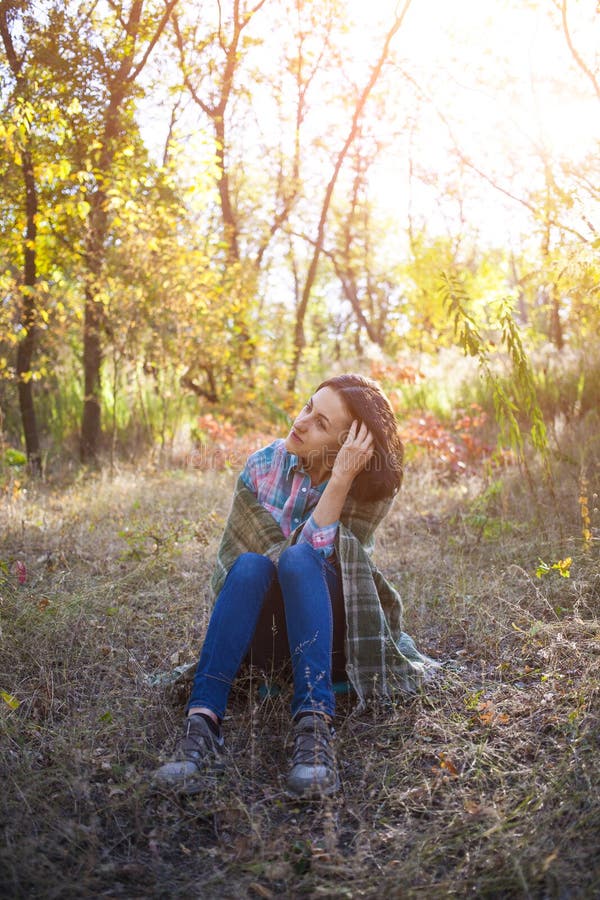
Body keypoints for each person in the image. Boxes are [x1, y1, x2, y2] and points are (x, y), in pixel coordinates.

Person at [153, 373, 436, 798]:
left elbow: (336, 567)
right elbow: (236, 570)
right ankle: (202, 725)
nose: (301, 421)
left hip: (332, 639)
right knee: (249, 566)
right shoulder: (262, 467)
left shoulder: (365, 487)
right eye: (308, 407)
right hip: (261, 636)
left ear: (348, 447)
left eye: (321, 423)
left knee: (302, 558)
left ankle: (314, 730)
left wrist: (339, 480)